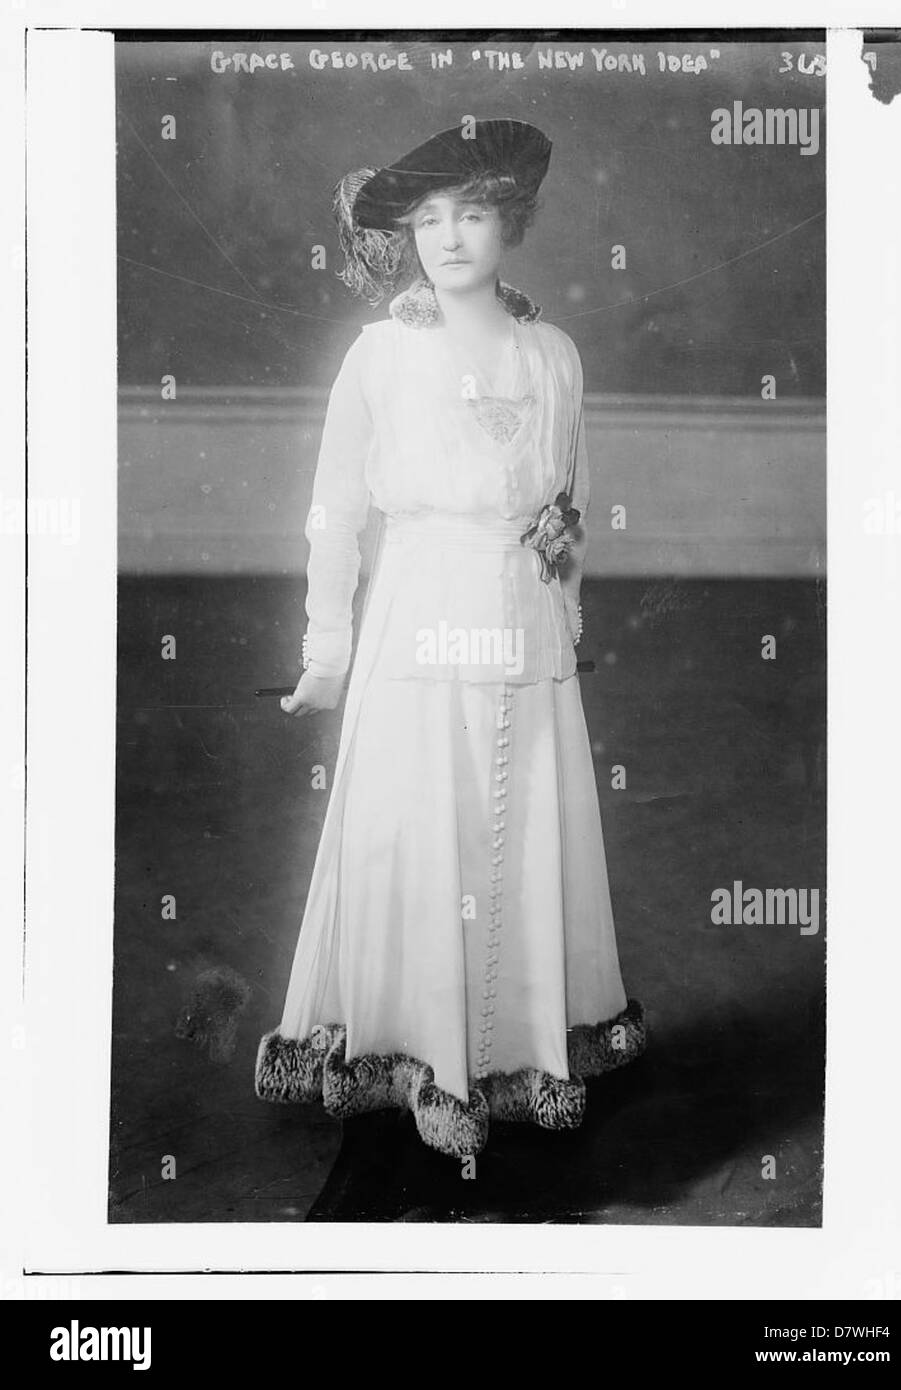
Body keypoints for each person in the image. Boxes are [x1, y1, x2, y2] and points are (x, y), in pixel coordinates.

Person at [255, 119, 645, 1158]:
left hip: (523, 626)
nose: (450, 237)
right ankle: (420, 1052)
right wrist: (326, 651)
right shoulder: (381, 355)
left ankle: (522, 1049)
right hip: (418, 619)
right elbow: (335, 511)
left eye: (471, 214)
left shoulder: (553, 354)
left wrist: (563, 601)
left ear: (509, 222)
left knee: (519, 826)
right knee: (424, 824)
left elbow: (571, 503)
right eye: (428, 220)